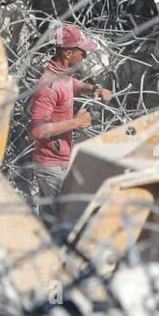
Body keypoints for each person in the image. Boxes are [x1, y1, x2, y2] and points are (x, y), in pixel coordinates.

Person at [29, 24, 113, 228]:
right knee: (65, 224)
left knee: (51, 224)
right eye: (81, 52)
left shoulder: (61, 76)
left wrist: (94, 88)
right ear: (68, 53)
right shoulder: (49, 87)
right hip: (51, 167)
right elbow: (38, 130)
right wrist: (77, 122)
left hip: (59, 163)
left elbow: (73, 85)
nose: (84, 57)